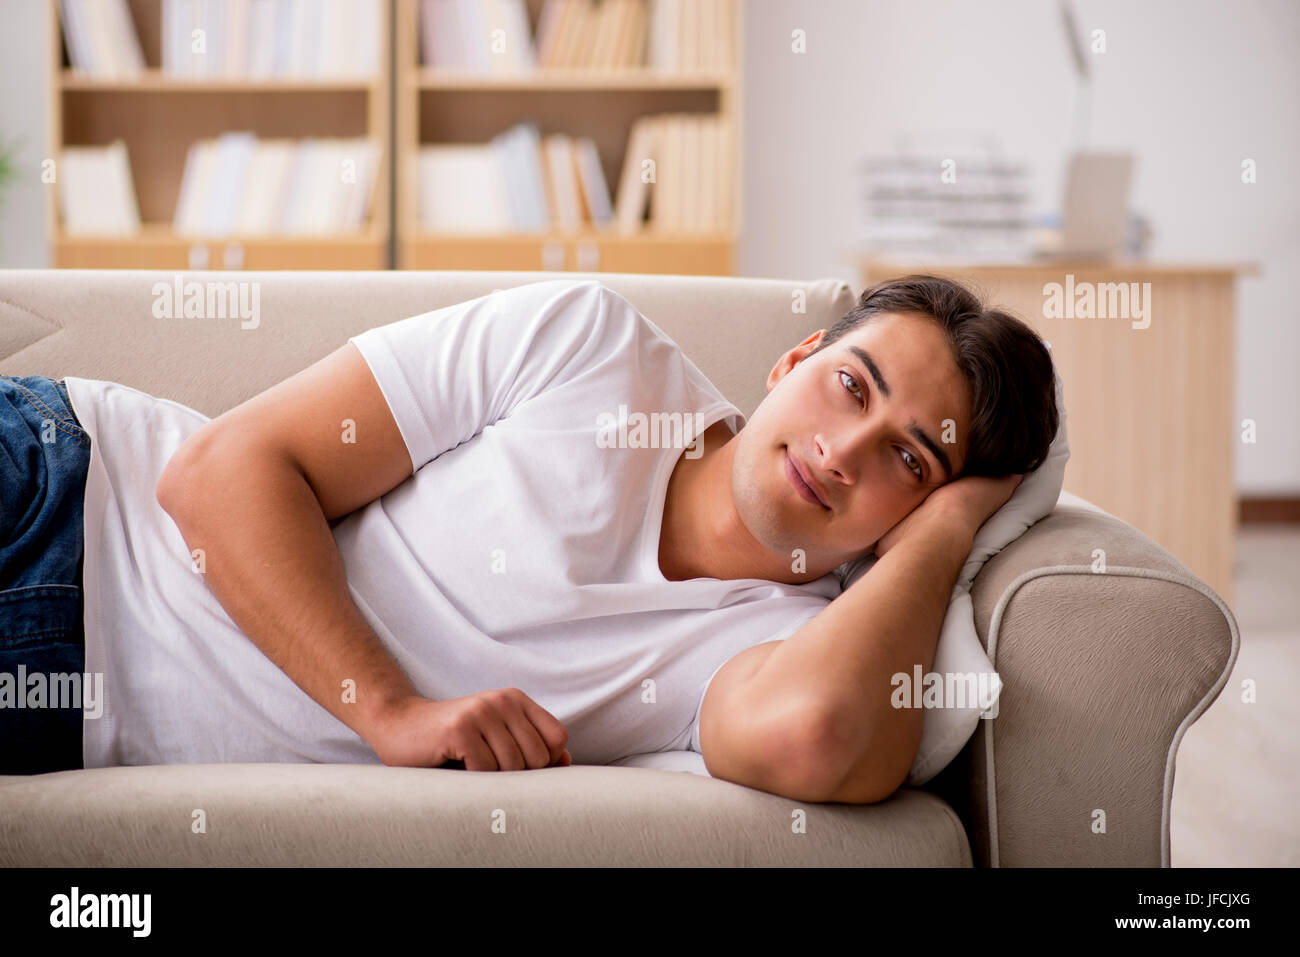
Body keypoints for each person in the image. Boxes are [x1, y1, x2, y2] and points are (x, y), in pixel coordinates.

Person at [0, 275, 1056, 803]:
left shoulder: (767, 649)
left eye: (909, 459)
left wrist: (955, 522)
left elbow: (814, 734)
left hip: (56, 698)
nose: (844, 451)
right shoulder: (588, 346)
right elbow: (218, 472)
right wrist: (393, 711)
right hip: (64, 484)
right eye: (848, 388)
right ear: (793, 362)